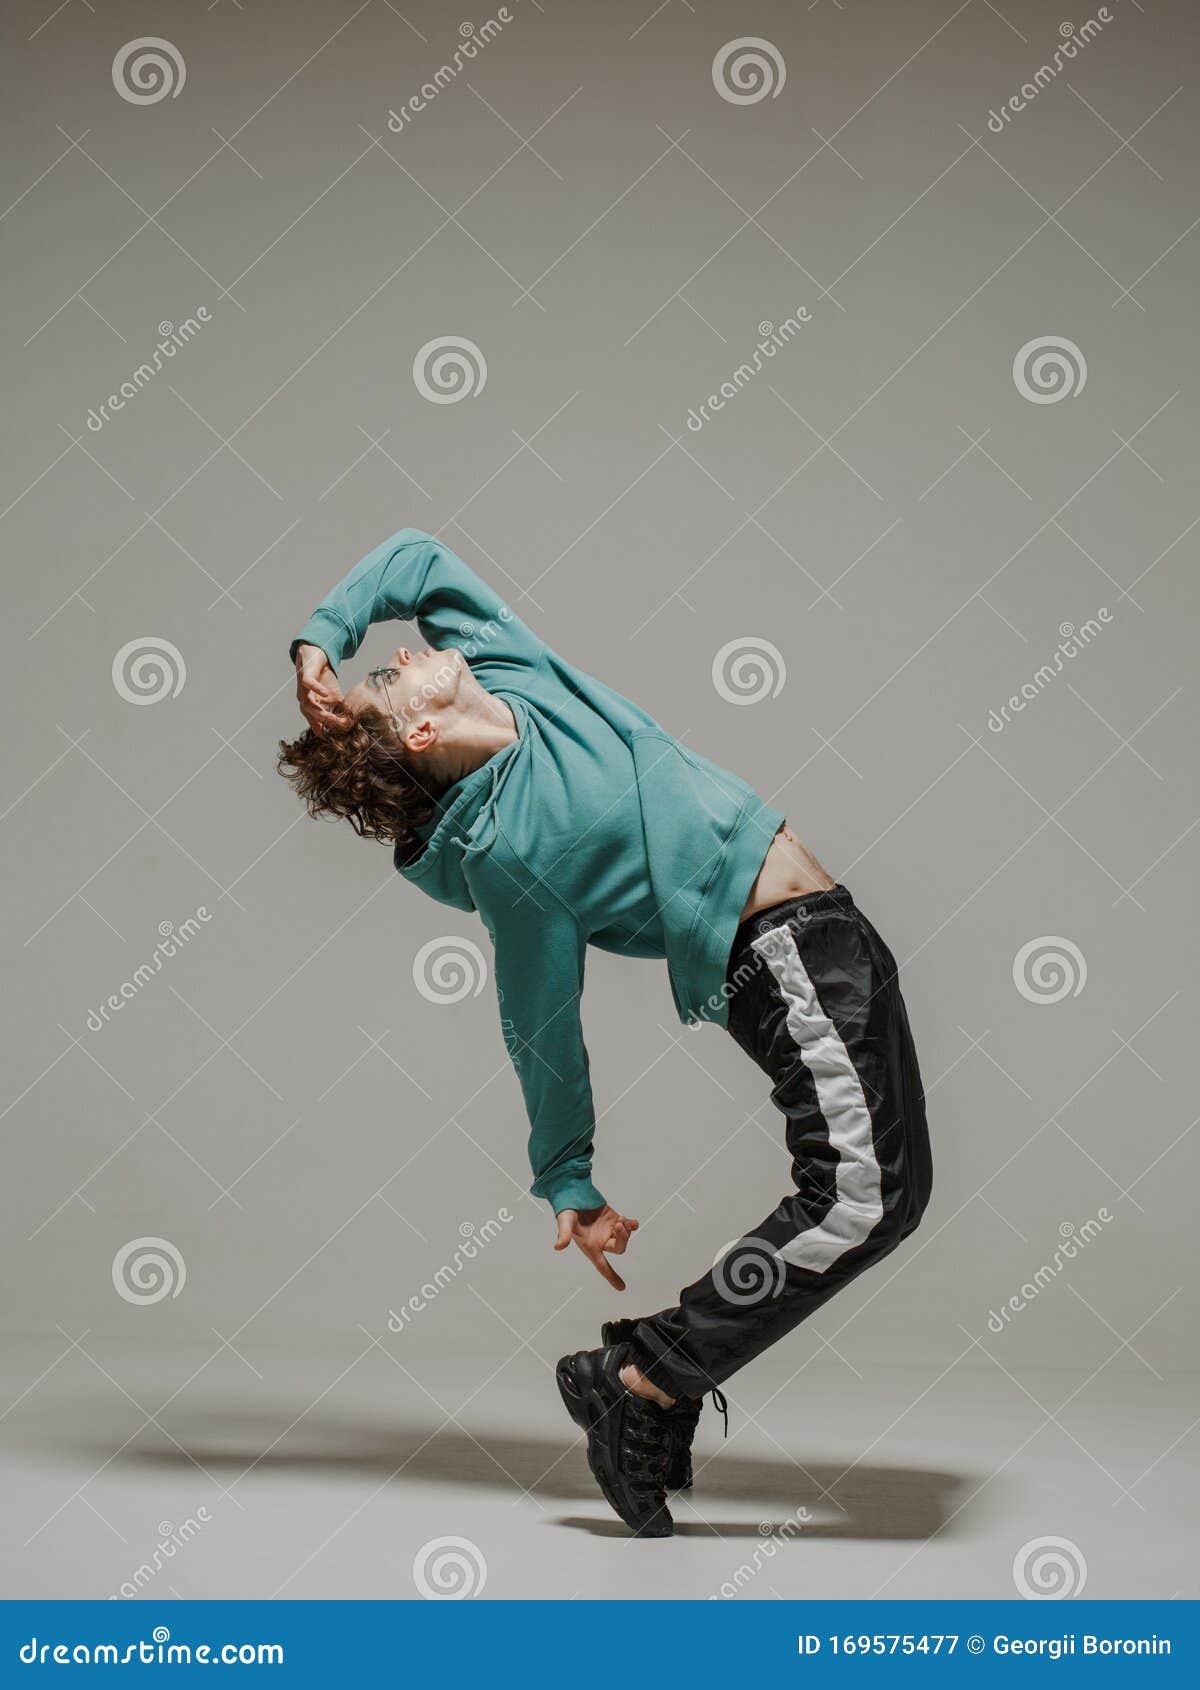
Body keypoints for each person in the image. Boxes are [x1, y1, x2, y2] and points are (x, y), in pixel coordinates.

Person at [279, 527, 932, 1538]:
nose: (402, 654)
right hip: (782, 953)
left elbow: (415, 560)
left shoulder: (507, 669)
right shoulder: (508, 851)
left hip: (829, 932)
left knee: (888, 1192)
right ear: (415, 734)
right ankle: (646, 1377)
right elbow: (536, 1020)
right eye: (385, 679)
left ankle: (640, 1375)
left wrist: (318, 644)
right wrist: (567, 1174)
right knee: (863, 1195)